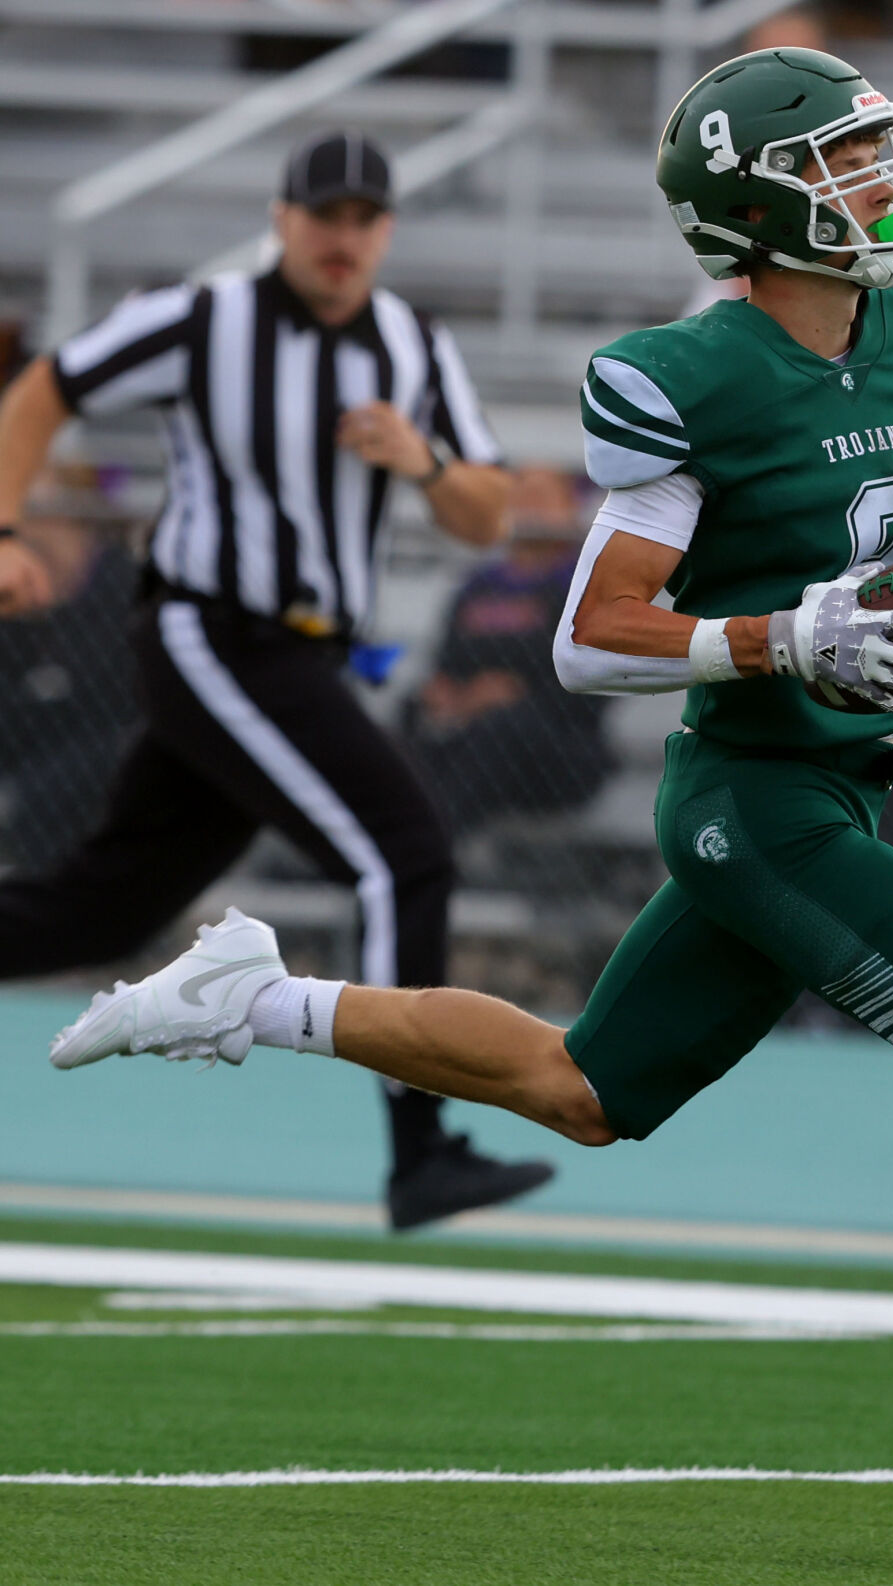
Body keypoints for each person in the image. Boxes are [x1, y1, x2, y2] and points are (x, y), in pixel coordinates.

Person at [47, 50, 893, 1515]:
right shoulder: (690, 375)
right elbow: (585, 635)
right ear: (759, 200)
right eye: (842, 162)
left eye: (876, 151)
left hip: (834, 784)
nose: (881, 180)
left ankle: (254, 997)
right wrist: (781, 632)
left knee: (584, 1088)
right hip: (752, 797)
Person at [0, 129, 555, 1231]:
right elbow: (43, 389)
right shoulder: (205, 321)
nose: (342, 239)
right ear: (281, 218)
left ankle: (419, 1143)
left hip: (295, 653)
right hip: (210, 632)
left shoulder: (412, 344)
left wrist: (423, 462)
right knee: (404, 857)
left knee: (102, 907)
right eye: (323, 216)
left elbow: (489, 514)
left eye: (362, 219)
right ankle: (419, 1146)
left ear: (385, 230)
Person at [405, 467, 614, 833]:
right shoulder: (478, 585)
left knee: (502, 728)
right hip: (468, 726)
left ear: (571, 508)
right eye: (521, 497)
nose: (530, 507)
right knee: (410, 714)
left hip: (556, 745)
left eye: (542, 497)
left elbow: (597, 687)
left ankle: (434, 836)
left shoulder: (586, 585)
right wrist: (448, 693)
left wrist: (515, 695)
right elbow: (446, 659)